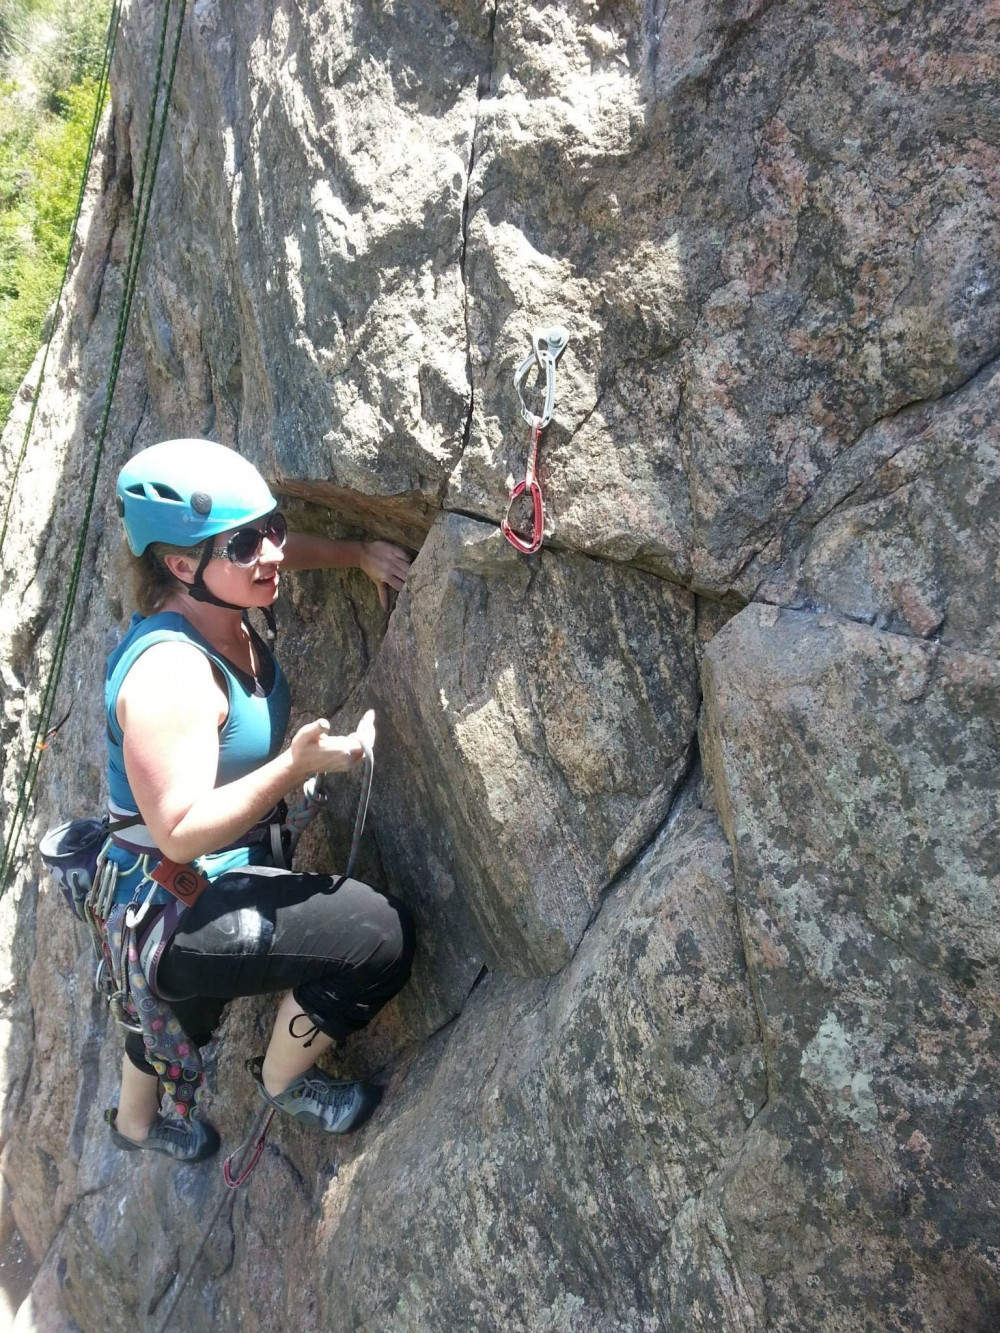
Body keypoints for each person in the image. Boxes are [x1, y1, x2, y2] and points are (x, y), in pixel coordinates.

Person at [101, 437, 415, 1162]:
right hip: (178, 895)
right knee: (382, 938)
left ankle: (136, 1121)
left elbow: (280, 551)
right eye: (245, 543)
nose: (270, 552)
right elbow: (178, 832)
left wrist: (357, 553)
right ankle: (283, 1081)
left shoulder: (224, 592)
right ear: (182, 565)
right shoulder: (171, 678)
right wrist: (291, 770)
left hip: (168, 894)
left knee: (178, 999)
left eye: (269, 529)